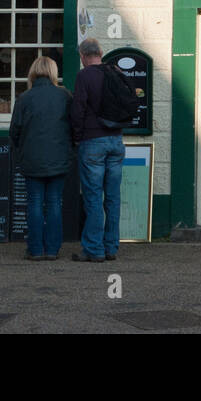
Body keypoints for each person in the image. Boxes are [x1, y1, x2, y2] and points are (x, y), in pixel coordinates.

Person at [9, 56, 73, 261]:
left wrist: (22, 150)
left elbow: (14, 131)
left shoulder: (24, 98)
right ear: (53, 72)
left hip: (32, 158)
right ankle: (52, 249)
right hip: (59, 158)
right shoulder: (65, 97)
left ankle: (35, 249)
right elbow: (73, 128)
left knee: (35, 203)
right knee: (54, 203)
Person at [69, 38, 124, 263]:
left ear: (83, 56)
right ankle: (111, 247)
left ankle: (94, 249)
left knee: (92, 197)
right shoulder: (116, 72)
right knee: (113, 197)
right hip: (116, 140)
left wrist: (77, 137)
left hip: (93, 142)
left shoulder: (84, 75)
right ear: (101, 53)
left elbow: (78, 108)